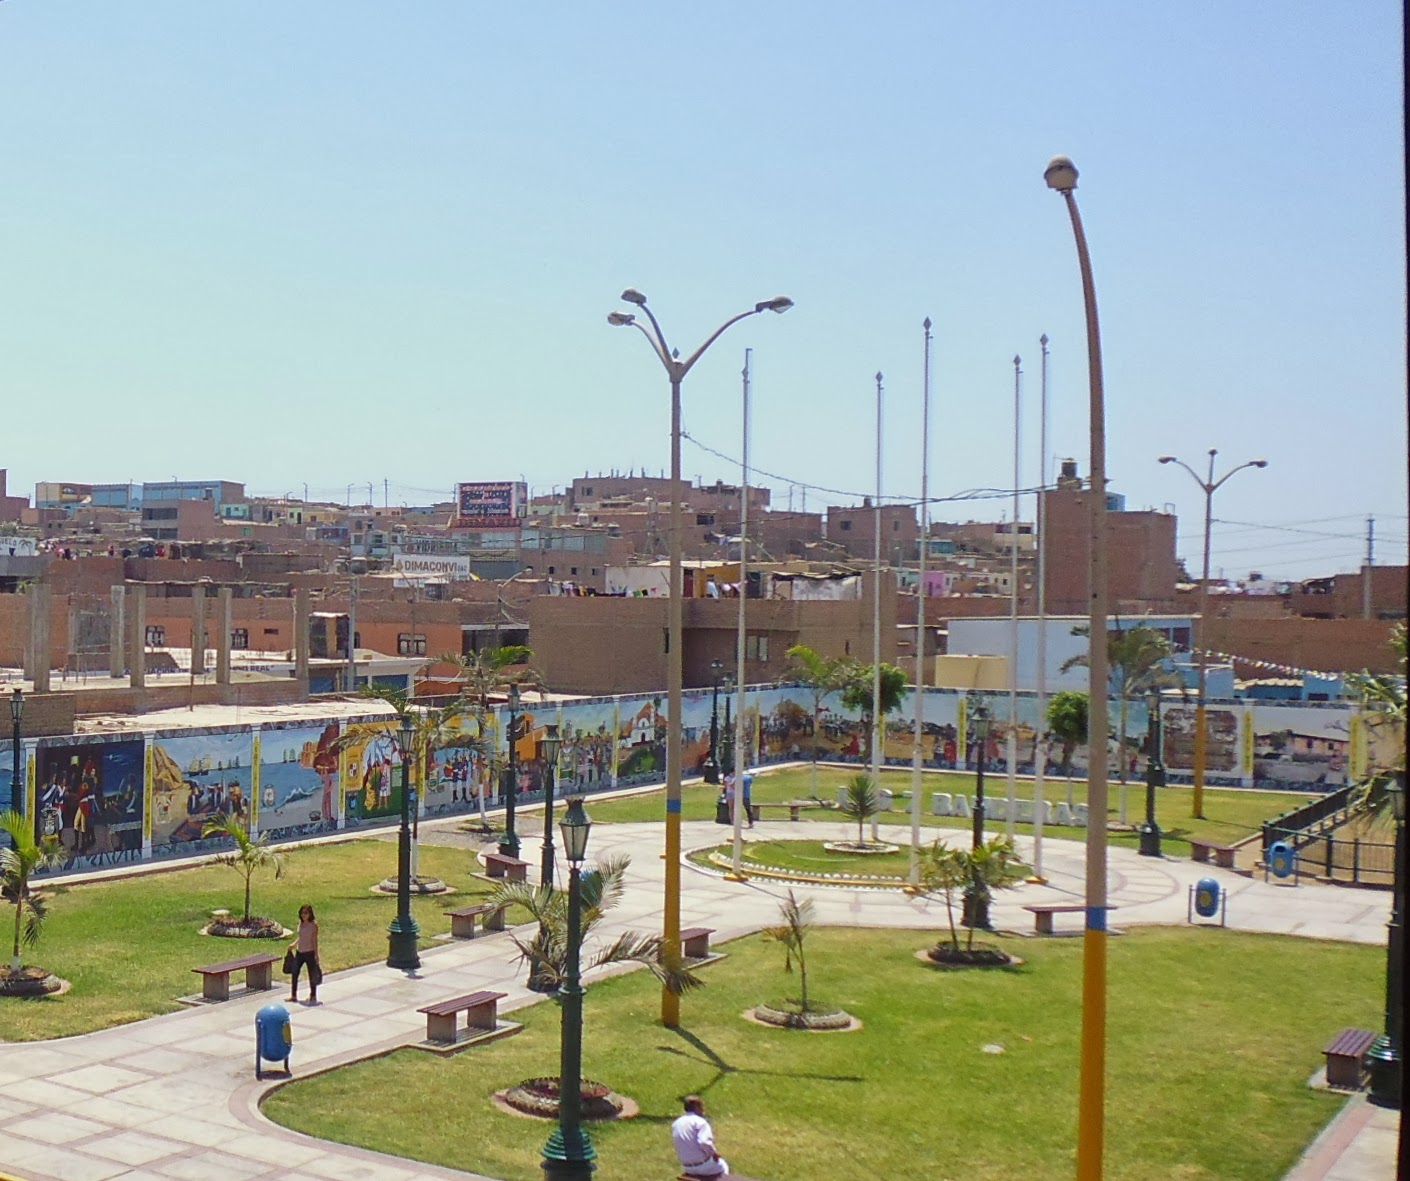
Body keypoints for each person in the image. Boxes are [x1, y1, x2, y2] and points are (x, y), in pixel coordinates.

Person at [671, 1095, 729, 1178]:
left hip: (687, 1167)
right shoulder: (700, 1122)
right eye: (701, 1107)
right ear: (696, 1107)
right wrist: (714, 1153)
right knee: (724, 1166)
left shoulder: (676, 1123)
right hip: (703, 1166)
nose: (703, 1110)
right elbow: (704, 1142)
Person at [288, 903, 322, 1004]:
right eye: (302, 913)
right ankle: (293, 995)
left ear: (310, 914)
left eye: (306, 913)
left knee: (312, 974)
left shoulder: (313, 925)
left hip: (309, 952)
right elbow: (301, 937)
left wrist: (316, 954)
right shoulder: (301, 924)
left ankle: (313, 995)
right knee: (295, 972)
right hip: (300, 952)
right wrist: (294, 945)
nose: (304, 915)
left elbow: (314, 940)